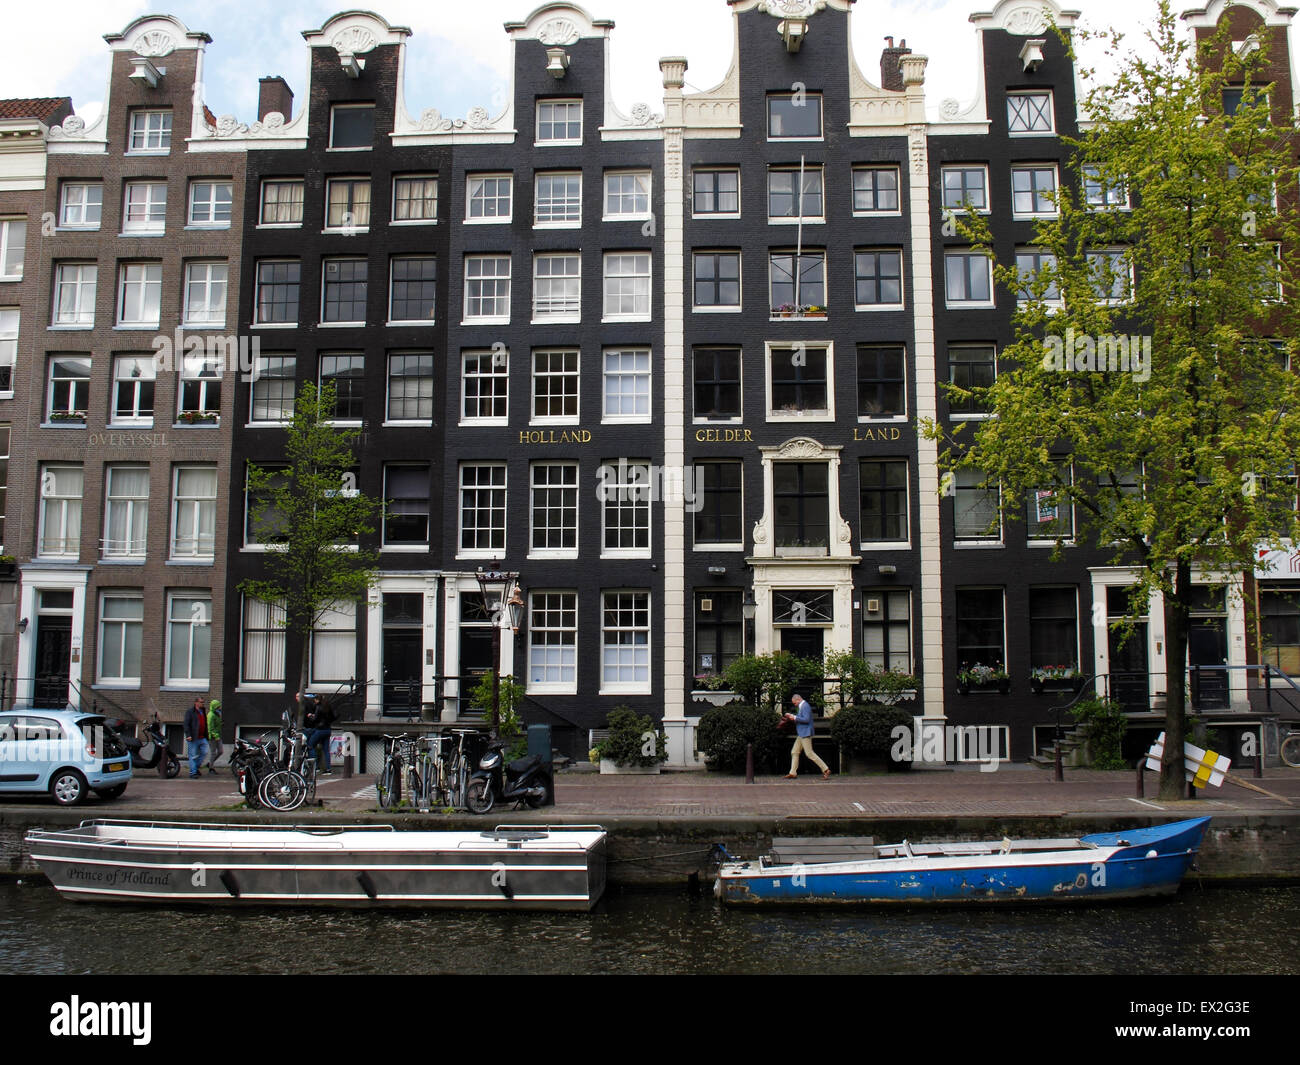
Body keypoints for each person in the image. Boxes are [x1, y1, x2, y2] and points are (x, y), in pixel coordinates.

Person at [783, 692, 830, 780]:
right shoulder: (802, 706)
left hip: (805, 733)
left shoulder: (805, 706)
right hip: (802, 733)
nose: (795, 704)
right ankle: (792, 772)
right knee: (794, 752)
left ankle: (825, 769)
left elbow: (806, 719)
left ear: (798, 699)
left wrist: (794, 718)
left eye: (795, 703)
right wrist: (792, 716)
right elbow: (802, 717)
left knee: (809, 753)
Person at [303, 696, 335, 774]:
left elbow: (316, 719)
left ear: (317, 700)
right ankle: (328, 769)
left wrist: (310, 716)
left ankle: (315, 767)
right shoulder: (328, 707)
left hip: (320, 730)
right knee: (326, 750)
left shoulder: (318, 707)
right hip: (327, 730)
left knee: (310, 745)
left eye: (315, 700)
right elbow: (332, 717)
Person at [184, 696, 209, 780]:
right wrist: (188, 735)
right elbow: (186, 724)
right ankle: (193, 772)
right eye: (201, 702)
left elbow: (205, 723)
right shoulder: (190, 712)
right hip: (193, 737)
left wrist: (207, 734)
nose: (202, 703)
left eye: (203, 702)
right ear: (196, 703)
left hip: (202, 737)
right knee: (193, 755)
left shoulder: (202, 711)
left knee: (205, 752)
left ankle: (195, 767)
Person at [205, 699, 223, 774]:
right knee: (213, 753)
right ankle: (211, 768)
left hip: (218, 735)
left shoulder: (217, 714)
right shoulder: (211, 715)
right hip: (212, 737)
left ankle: (210, 763)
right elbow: (210, 728)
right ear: (215, 707)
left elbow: (217, 724)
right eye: (218, 707)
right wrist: (215, 736)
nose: (220, 708)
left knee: (220, 751)